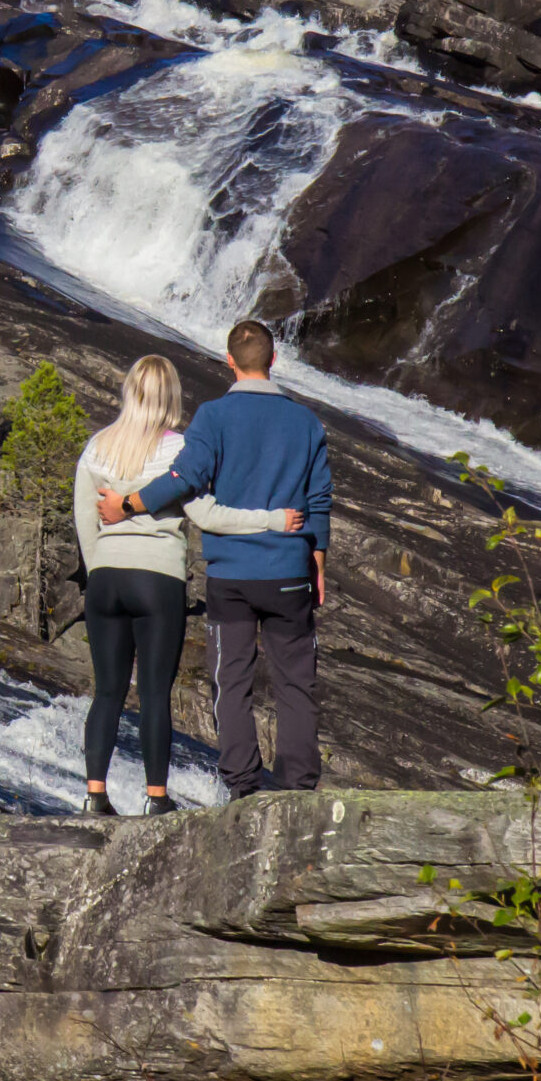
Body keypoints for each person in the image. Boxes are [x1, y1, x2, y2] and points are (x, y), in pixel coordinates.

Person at [96, 320, 332, 799]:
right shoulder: (307, 423)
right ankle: (297, 789)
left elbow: (184, 478)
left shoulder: (213, 417)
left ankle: (244, 788)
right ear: (273, 359)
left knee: (232, 683)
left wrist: (126, 505)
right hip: (289, 570)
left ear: (229, 361)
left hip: (231, 577)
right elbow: (320, 498)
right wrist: (318, 562)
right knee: (296, 685)